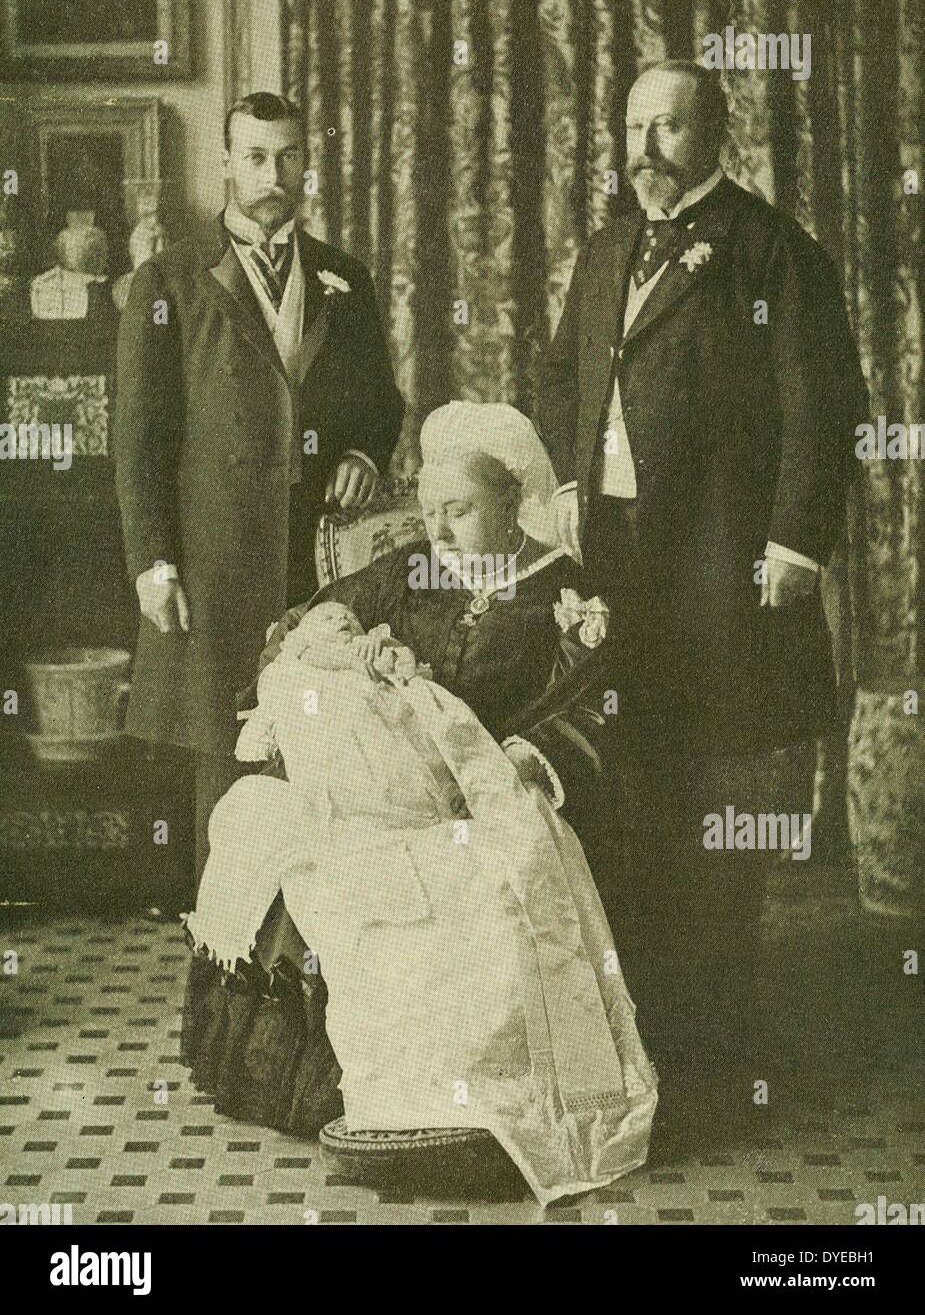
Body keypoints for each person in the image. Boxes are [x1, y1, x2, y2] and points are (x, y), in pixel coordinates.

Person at [181, 402, 656, 1201]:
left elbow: (600, 705)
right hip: (392, 790)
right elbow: (302, 627)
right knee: (281, 832)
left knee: (475, 876)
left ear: (512, 500)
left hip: (497, 791)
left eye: (460, 511)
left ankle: (461, 1102)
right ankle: (364, 1091)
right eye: (429, 511)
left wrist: (521, 761)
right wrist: (354, 649)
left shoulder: (564, 593)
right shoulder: (407, 569)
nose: (438, 530)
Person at [536, 58, 869, 1148]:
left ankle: (722, 1048)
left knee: (718, 806)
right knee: (631, 794)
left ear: (714, 135)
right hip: (622, 566)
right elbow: (561, 379)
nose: (647, 148)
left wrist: (792, 542)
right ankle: (647, 1036)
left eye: (670, 127)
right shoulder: (602, 251)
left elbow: (824, 405)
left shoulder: (772, 252)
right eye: (635, 126)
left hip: (726, 568)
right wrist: (570, 487)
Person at [114, 92, 404, 885]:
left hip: (316, 567)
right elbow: (137, 439)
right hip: (215, 565)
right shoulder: (169, 280)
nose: (272, 174)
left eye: (286, 157)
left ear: (307, 162)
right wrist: (154, 562)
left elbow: (382, 403)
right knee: (228, 776)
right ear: (226, 164)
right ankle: (228, 980)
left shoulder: (345, 277)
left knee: (323, 763)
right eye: (254, 157)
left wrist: (362, 454)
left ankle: (308, 982)